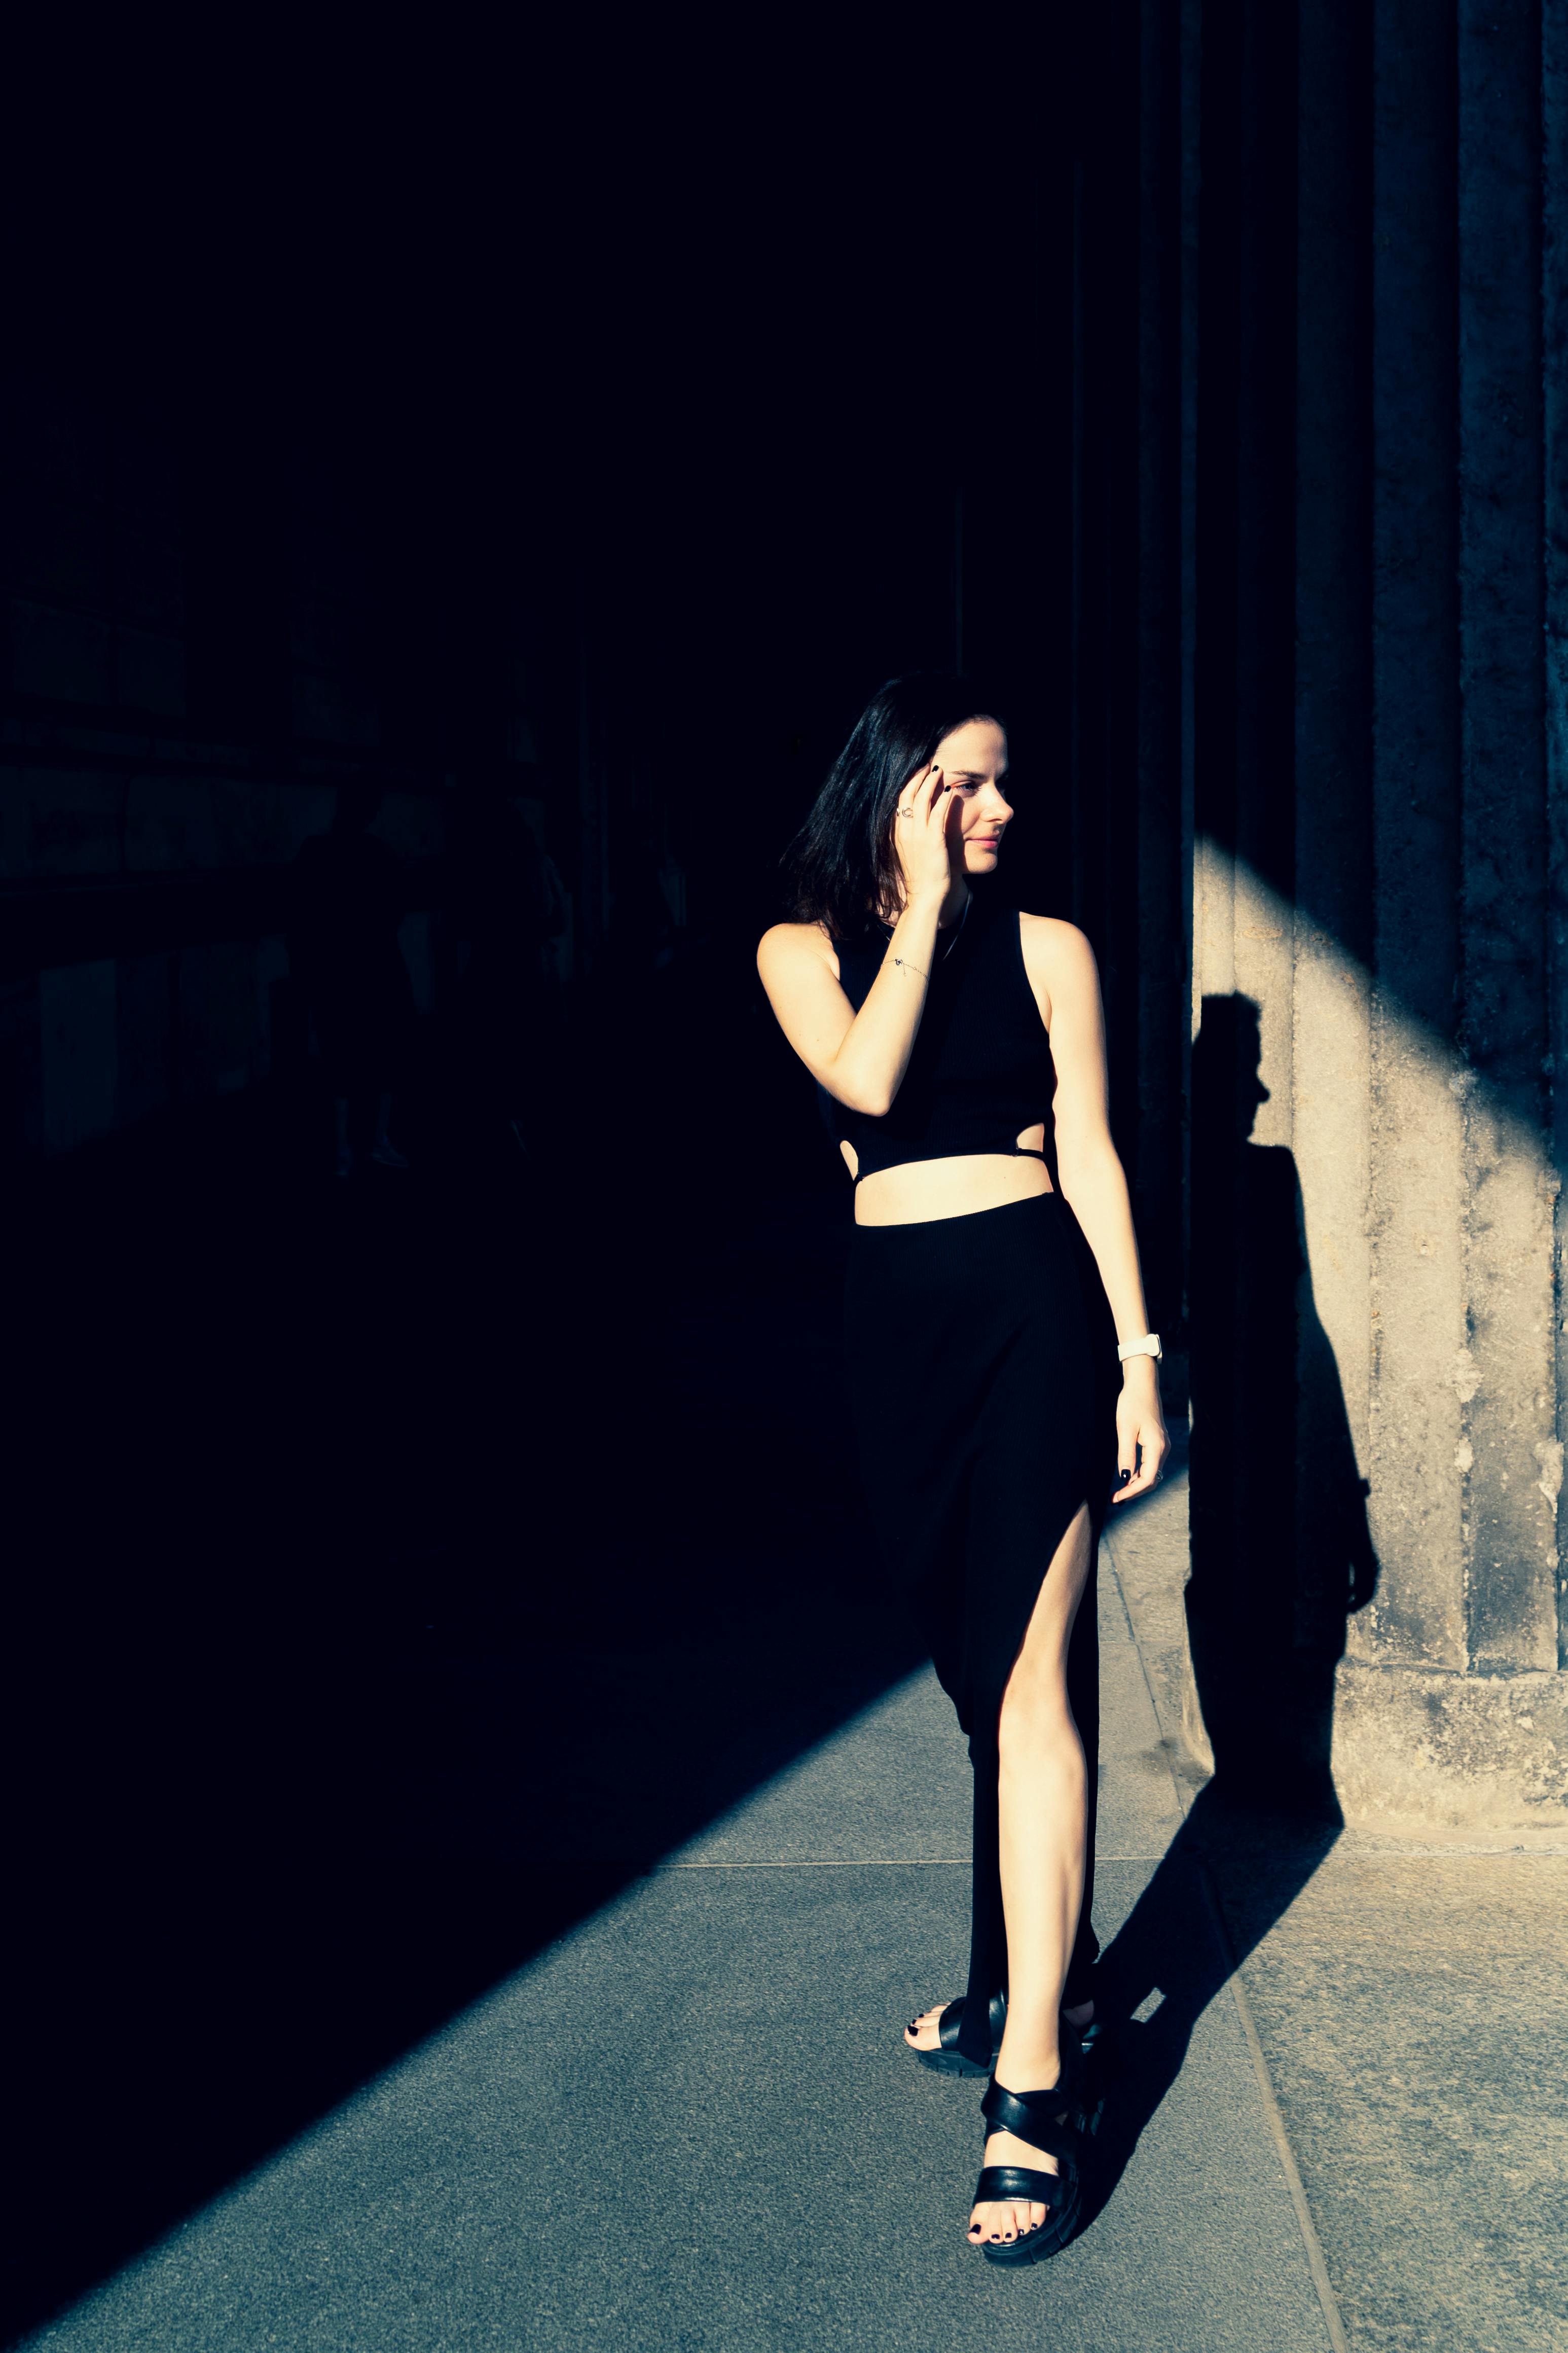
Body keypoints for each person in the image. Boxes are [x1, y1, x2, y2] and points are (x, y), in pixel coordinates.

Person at [757, 676, 1170, 2263]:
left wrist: (1139, 1353)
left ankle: (1032, 2083)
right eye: (955, 785)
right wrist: (918, 911)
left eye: (1000, 785)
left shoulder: (1047, 947)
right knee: (972, 1675)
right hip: (895, 1339)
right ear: (888, 791)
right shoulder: (798, 949)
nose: (992, 810)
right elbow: (860, 1082)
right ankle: (1015, 1971)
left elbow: (1091, 1150)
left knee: (1030, 1686)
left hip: (1032, 1314)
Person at [291, 783, 416, 1177]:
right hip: (378, 967)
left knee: (339, 1058)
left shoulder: (314, 851)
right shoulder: (378, 854)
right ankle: (376, 1141)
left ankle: (342, 1149)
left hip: (334, 971)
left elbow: (299, 916)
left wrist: (307, 970)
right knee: (387, 1057)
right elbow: (398, 906)